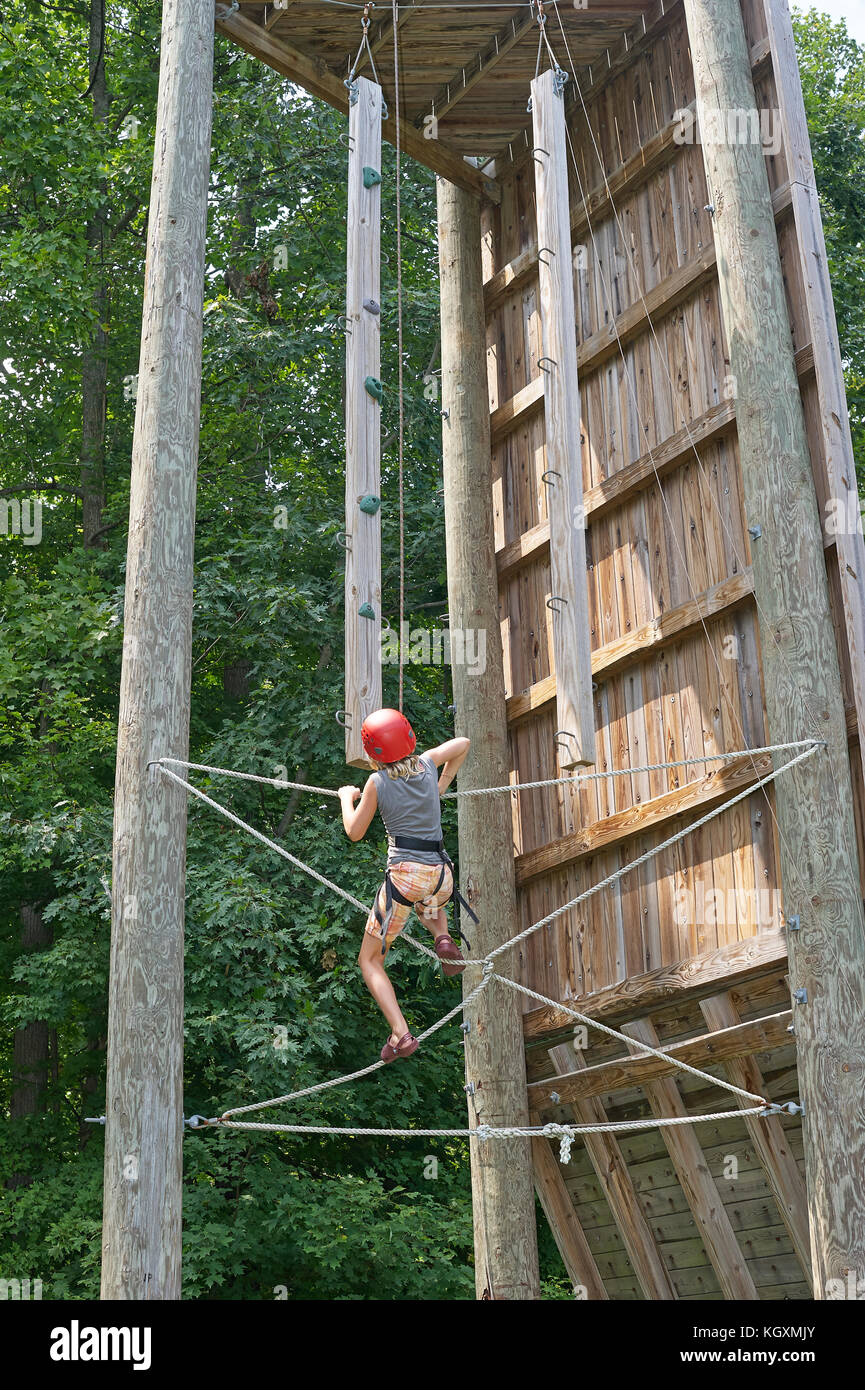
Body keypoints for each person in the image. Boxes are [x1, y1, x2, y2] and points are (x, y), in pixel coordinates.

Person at [338, 708, 475, 1064]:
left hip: (405, 878)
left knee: (369, 961)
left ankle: (401, 1033)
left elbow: (354, 832)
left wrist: (345, 799)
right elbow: (463, 743)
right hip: (441, 874)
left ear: (374, 752)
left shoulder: (377, 783)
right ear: (409, 737)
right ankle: (442, 937)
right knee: (430, 899)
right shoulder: (428, 763)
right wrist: (443, 783)